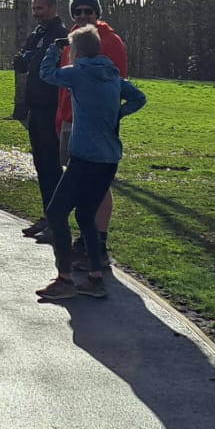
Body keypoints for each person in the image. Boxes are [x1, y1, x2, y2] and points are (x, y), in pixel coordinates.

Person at [34, 24, 146, 301]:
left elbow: (46, 74)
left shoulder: (78, 73)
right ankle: (95, 277)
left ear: (75, 52)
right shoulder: (112, 74)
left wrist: (53, 49)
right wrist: (118, 113)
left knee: (57, 212)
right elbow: (139, 98)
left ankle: (65, 278)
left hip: (85, 157)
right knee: (85, 214)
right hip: (109, 159)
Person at [52, 0, 130, 266]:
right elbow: (63, 84)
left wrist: (114, 116)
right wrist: (60, 119)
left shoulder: (110, 41)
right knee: (77, 179)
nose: (83, 16)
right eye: (77, 12)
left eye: (88, 11)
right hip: (71, 121)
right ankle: (85, 240)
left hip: (96, 124)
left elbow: (118, 84)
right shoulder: (72, 40)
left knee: (98, 184)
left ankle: (98, 240)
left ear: (97, 12)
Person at [14, 0, 67, 238]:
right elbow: (27, 64)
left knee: (52, 166)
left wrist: (33, 60)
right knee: (40, 165)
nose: (36, 13)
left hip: (51, 108)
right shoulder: (36, 35)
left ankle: (57, 221)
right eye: (34, 9)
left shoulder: (60, 36)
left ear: (53, 9)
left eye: (40, 9)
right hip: (34, 108)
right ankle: (48, 216)